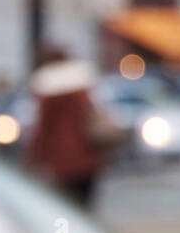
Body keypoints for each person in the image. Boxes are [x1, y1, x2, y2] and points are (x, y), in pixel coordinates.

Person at [23, 45, 115, 207]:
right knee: (83, 206)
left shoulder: (47, 85)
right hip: (89, 154)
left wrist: (33, 156)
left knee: (63, 209)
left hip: (61, 158)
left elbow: (43, 126)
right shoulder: (83, 81)